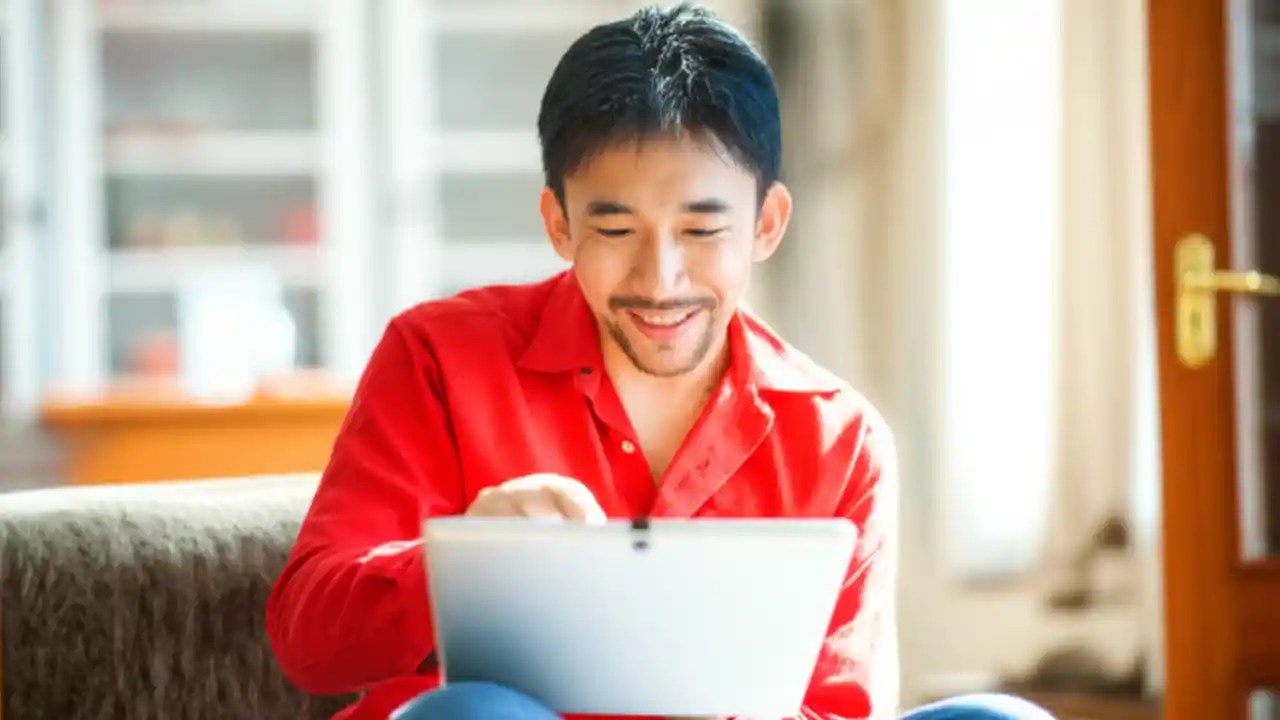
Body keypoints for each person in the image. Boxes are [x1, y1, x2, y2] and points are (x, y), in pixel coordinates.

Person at [266, 4, 1053, 719]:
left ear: (767, 222)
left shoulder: (840, 439)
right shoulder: (440, 357)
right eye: (615, 231)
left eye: (703, 230)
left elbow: (842, 708)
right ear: (559, 223)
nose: (660, 279)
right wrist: (460, 560)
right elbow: (309, 640)